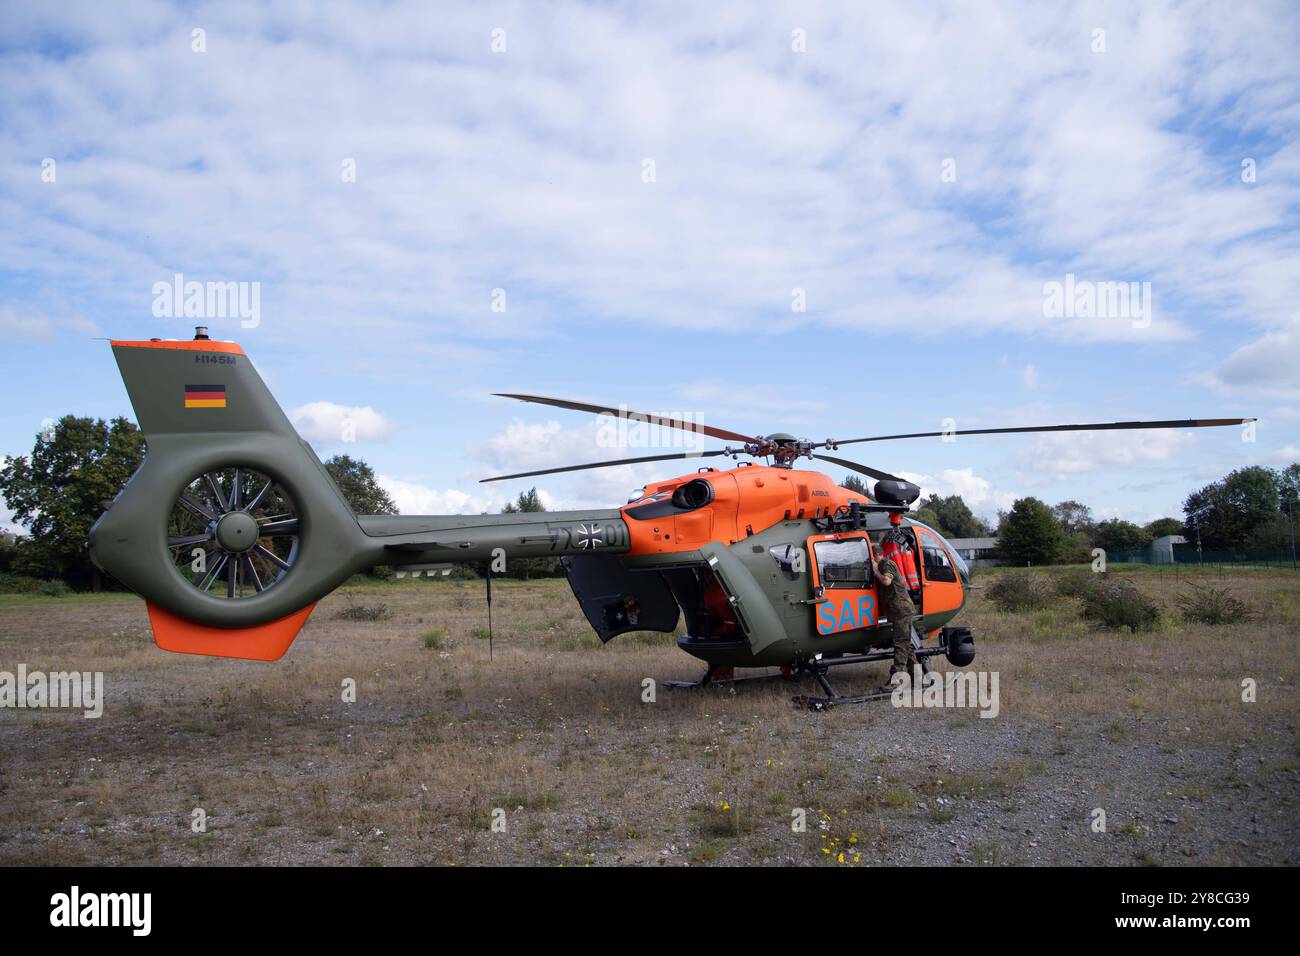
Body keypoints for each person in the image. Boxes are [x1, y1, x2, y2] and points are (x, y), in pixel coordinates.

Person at [873, 550, 919, 693]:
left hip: (901, 610)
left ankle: (896, 681)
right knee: (906, 645)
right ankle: (918, 678)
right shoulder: (882, 565)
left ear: (874, 555)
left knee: (900, 644)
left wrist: (875, 571)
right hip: (897, 611)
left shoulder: (886, 564)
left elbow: (886, 581)